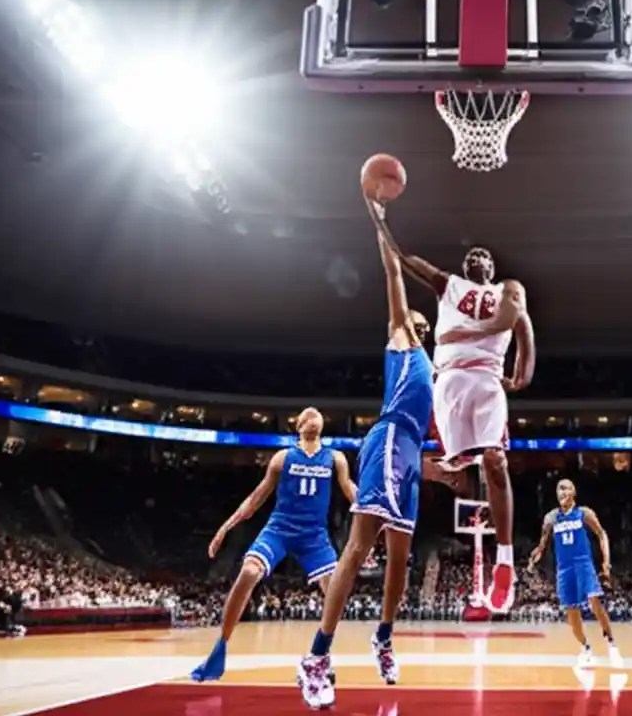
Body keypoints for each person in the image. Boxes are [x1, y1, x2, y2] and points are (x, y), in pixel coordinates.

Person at [297, 197, 435, 709]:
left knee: (401, 561)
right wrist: (378, 216)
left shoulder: (434, 371)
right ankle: (316, 656)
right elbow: (392, 274)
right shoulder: (402, 342)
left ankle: (383, 636)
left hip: (412, 454)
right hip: (387, 441)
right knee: (356, 553)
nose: (417, 323)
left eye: (422, 323)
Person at [369, 212, 534, 614]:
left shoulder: (508, 288)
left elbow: (516, 322)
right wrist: (380, 222)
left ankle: (505, 564)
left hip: (485, 378)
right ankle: (383, 526)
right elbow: (407, 260)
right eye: (471, 254)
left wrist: (521, 373)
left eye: (485, 255)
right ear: (463, 268)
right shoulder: (448, 285)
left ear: (492, 269)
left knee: (495, 461)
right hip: (449, 385)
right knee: (452, 469)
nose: (478, 256)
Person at [189, 407, 355, 682]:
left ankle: (320, 657)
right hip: (280, 528)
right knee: (249, 572)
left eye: (318, 414)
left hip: (314, 534)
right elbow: (255, 499)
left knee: (335, 591)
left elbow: (350, 490)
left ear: (323, 426)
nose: (313, 415)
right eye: (307, 415)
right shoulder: (282, 458)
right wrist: (225, 528)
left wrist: (375, 516)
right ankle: (219, 648)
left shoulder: (335, 458)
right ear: (299, 426)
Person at [527, 479, 622, 669]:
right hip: (564, 568)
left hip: (583, 564)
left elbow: (602, 534)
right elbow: (542, 544)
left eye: (566, 488)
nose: (562, 492)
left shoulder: (583, 513)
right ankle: (586, 648)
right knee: (572, 612)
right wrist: (534, 556)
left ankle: (611, 642)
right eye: (559, 490)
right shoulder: (551, 518)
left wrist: (606, 562)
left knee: (595, 601)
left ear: (574, 491)